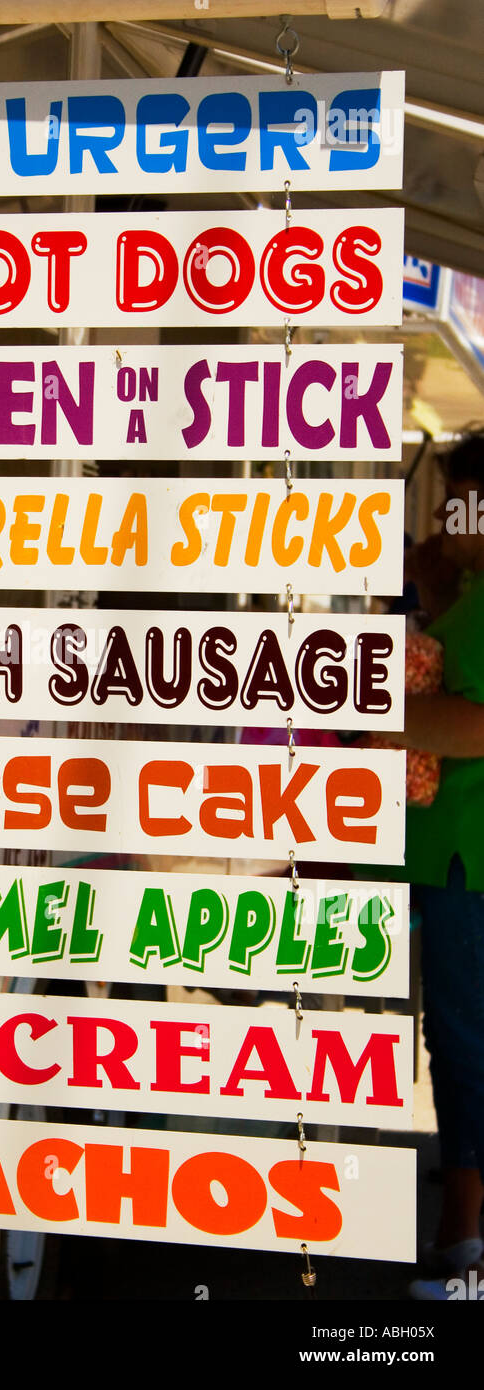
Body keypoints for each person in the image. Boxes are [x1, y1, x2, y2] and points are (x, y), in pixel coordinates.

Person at [397, 427, 484, 1298]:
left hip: (472, 863)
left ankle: (463, 1246)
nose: (447, 515)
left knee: (464, 1049)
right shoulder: (471, 591)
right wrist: (434, 582)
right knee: (457, 1046)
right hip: (454, 858)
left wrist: (387, 723)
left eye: (461, 499)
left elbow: (476, 725)